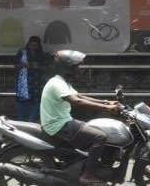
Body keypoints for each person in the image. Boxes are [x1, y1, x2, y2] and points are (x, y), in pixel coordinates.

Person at [40, 49, 121, 185]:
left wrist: (106, 102)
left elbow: (79, 96)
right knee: (100, 137)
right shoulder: (57, 83)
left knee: (95, 130)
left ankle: (90, 165)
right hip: (58, 125)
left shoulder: (63, 82)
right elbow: (76, 101)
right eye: (76, 66)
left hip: (63, 122)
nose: (79, 69)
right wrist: (107, 108)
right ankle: (87, 175)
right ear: (67, 67)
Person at [14, 35, 48, 122]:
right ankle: (21, 120)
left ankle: (31, 120)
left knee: (36, 101)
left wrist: (37, 66)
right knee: (21, 101)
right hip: (23, 82)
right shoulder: (22, 53)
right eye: (31, 45)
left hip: (36, 82)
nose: (33, 47)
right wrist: (22, 65)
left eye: (35, 46)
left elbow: (46, 67)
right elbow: (15, 65)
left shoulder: (42, 55)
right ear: (28, 44)